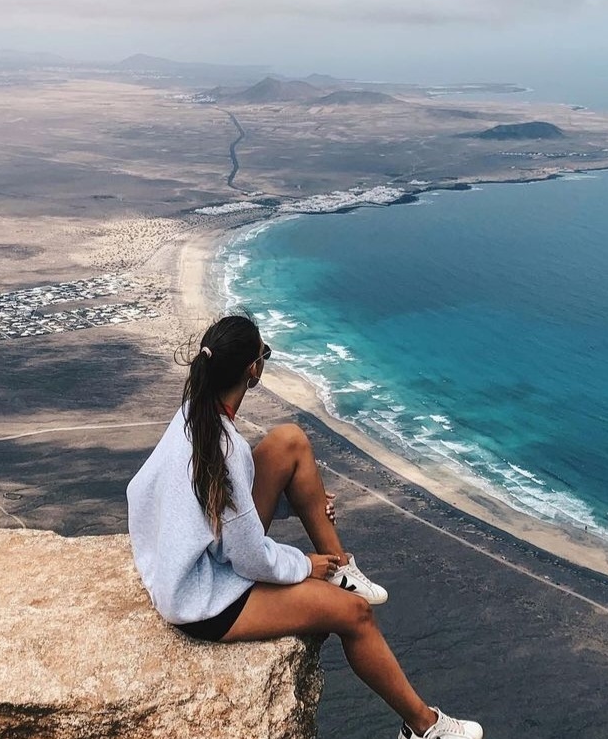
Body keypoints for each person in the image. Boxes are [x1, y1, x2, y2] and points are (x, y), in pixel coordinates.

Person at [126, 313, 483, 739]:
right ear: (252, 371)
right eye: (265, 355)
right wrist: (304, 566)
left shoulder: (193, 414)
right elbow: (247, 558)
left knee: (289, 441)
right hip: (201, 600)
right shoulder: (227, 449)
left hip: (190, 565)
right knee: (355, 615)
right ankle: (424, 728)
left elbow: (151, 491)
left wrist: (290, 504)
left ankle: (344, 568)